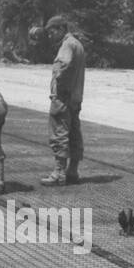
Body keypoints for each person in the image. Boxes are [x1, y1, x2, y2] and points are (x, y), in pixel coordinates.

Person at [41, 15, 85, 185]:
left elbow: (64, 66)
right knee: (74, 133)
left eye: (52, 32)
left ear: (60, 29)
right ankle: (72, 171)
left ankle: (58, 173)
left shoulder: (67, 45)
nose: (50, 36)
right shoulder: (78, 44)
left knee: (59, 133)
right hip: (76, 98)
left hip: (63, 98)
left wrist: (59, 86)